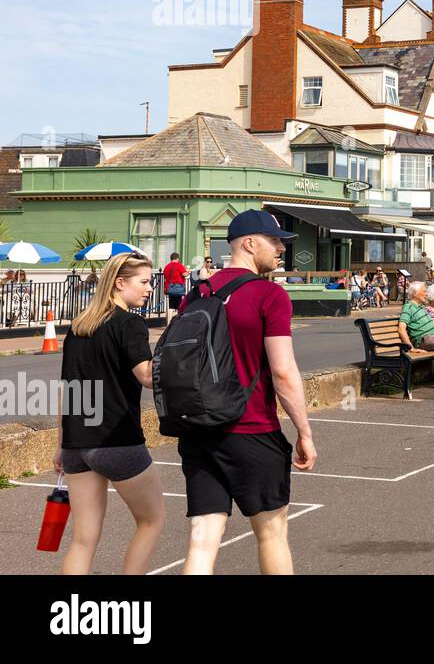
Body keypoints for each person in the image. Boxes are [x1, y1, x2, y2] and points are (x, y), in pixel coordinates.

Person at [179, 209, 317, 574]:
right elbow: (283, 372)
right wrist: (304, 432)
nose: (281, 250)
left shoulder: (195, 295)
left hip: (197, 429)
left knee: (202, 536)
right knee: (272, 532)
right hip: (251, 428)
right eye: (275, 242)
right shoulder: (269, 295)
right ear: (249, 243)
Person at [56, 251, 164, 575]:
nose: (149, 289)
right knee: (152, 520)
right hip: (117, 439)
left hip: (77, 444)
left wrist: (60, 444)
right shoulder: (130, 323)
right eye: (144, 282)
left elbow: (67, 389)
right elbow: (147, 377)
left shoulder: (79, 328)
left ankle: (70, 615)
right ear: (120, 283)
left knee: (83, 539)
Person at [162, 252, 188, 320]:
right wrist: (188, 272)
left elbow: (165, 275)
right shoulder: (179, 265)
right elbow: (185, 274)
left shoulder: (167, 266)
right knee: (179, 306)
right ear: (177, 258)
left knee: (171, 306)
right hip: (178, 288)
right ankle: (177, 322)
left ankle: (168, 322)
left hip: (169, 288)